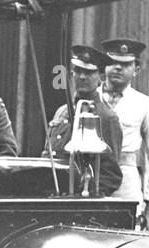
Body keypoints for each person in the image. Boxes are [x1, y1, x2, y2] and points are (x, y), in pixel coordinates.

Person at [100, 37, 149, 229]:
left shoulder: (144, 105)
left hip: (125, 184)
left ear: (136, 70)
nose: (117, 68)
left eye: (125, 64)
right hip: (91, 181)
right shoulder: (89, 99)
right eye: (112, 62)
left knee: (127, 237)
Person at [46, 45, 123, 198]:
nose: (82, 77)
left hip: (79, 200)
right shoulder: (62, 112)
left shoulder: (106, 117)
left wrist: (86, 197)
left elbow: (111, 175)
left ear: (100, 77)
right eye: (78, 71)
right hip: (52, 196)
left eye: (89, 72)